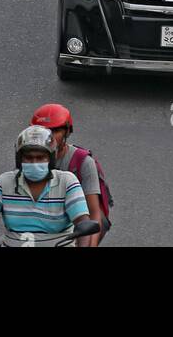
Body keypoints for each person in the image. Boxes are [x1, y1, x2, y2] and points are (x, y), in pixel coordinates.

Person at [0, 126, 91, 247]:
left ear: (51, 159)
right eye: (29, 158)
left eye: (40, 157)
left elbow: (82, 222)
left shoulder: (67, 182)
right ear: (19, 160)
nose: (34, 162)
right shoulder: (4, 182)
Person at [29, 103, 106, 244]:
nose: (49, 137)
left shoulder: (83, 162)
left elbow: (94, 214)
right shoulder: (28, 159)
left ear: (67, 132)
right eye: (44, 131)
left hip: (75, 220)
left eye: (55, 131)